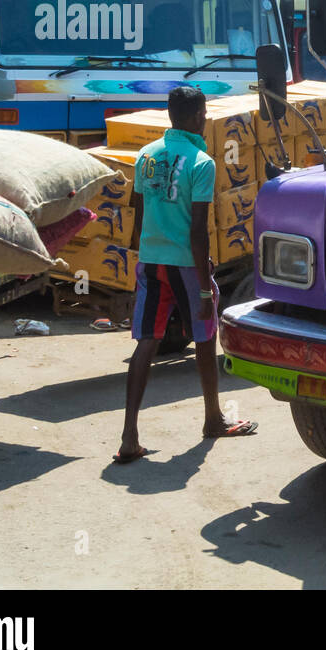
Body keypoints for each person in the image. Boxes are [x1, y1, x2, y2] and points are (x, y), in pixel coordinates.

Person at [115, 86, 256, 464]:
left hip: (150, 260)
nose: (206, 119)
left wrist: (138, 264)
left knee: (147, 341)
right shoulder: (201, 162)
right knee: (204, 336)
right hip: (184, 263)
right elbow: (198, 230)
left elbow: (138, 214)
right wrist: (206, 292)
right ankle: (213, 418)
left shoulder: (145, 155)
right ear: (196, 118)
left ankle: (129, 435)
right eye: (205, 114)